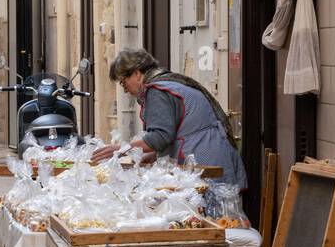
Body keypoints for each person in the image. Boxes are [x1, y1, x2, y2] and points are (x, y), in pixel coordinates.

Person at [91, 48, 248, 191]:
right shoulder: (168, 83)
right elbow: (172, 134)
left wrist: (122, 148)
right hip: (210, 154)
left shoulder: (156, 91)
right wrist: (149, 156)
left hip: (205, 159)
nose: (124, 89)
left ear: (137, 73)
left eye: (123, 82)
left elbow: (160, 137)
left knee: (215, 217)